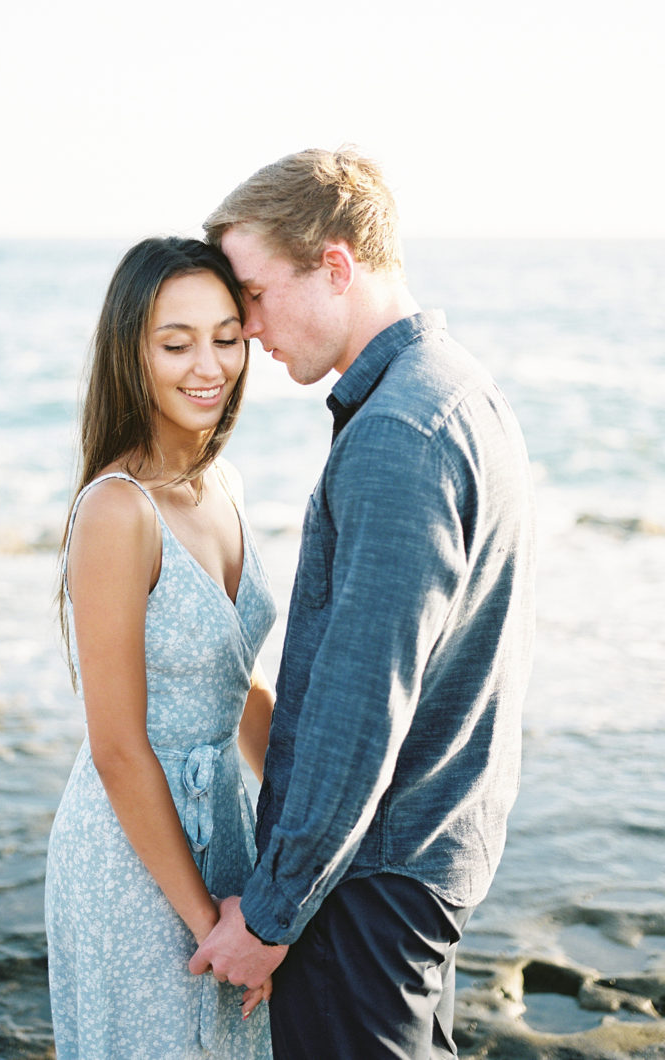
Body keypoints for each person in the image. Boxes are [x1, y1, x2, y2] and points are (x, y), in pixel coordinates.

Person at [189, 148, 536, 1058]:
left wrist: (270, 916)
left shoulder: (398, 436)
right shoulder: (456, 391)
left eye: (257, 294)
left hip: (371, 879)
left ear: (335, 268)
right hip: (417, 858)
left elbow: (360, 708)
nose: (248, 327)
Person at [45, 236, 277, 1058]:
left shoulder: (225, 483)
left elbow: (235, 684)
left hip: (228, 826)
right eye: (176, 344)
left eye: (227, 336)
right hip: (133, 856)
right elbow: (116, 748)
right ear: (131, 353)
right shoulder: (117, 511)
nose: (208, 365)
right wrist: (211, 923)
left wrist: (312, 827)